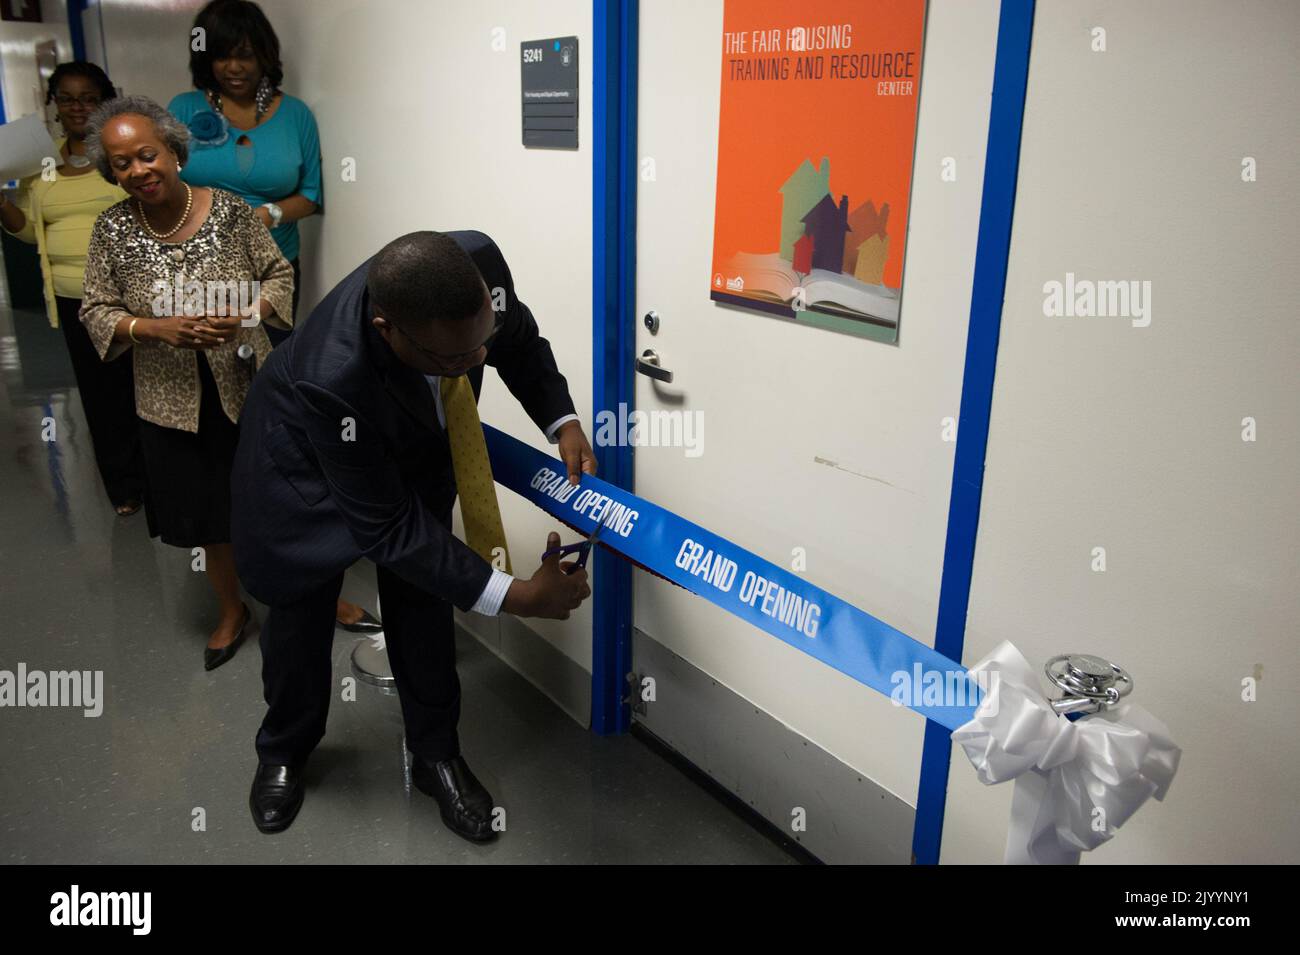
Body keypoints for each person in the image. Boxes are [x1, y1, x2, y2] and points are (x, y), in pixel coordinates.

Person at [231, 231, 596, 841]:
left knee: (423, 612)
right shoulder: (332, 374)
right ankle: (285, 749)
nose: (474, 363)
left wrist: (562, 420)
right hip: (303, 479)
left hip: (403, 454)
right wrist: (520, 598)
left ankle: (435, 755)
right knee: (298, 623)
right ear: (386, 329)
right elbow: (386, 527)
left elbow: (519, 342)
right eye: (453, 360)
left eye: (480, 345)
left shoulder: (475, 265)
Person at [168, 0, 376, 634]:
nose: (235, 66)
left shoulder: (297, 117)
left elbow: (311, 195)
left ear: (266, 55)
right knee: (212, 442)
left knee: (280, 435)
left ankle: (308, 583)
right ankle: (232, 605)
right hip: (193, 286)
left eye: (247, 53)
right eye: (223, 53)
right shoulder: (183, 113)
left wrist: (260, 218)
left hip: (271, 285)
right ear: (206, 56)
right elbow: (157, 187)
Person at [79, 95, 294, 670]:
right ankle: (231, 609)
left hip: (248, 380)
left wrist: (248, 313)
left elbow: (279, 274)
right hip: (170, 400)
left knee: (278, 499)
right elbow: (96, 311)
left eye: (147, 155)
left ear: (173, 152)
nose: (137, 171)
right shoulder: (111, 229)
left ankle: (311, 597)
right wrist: (151, 328)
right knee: (207, 511)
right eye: (121, 163)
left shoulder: (227, 210)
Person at [0, 62, 146, 516]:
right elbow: (28, 230)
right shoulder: (38, 165)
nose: (77, 107)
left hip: (133, 294)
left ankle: (162, 476)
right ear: (55, 106)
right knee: (101, 394)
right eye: (67, 98)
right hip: (74, 300)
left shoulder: (121, 155)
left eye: (88, 97)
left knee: (146, 385)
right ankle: (123, 488)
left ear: (105, 100)